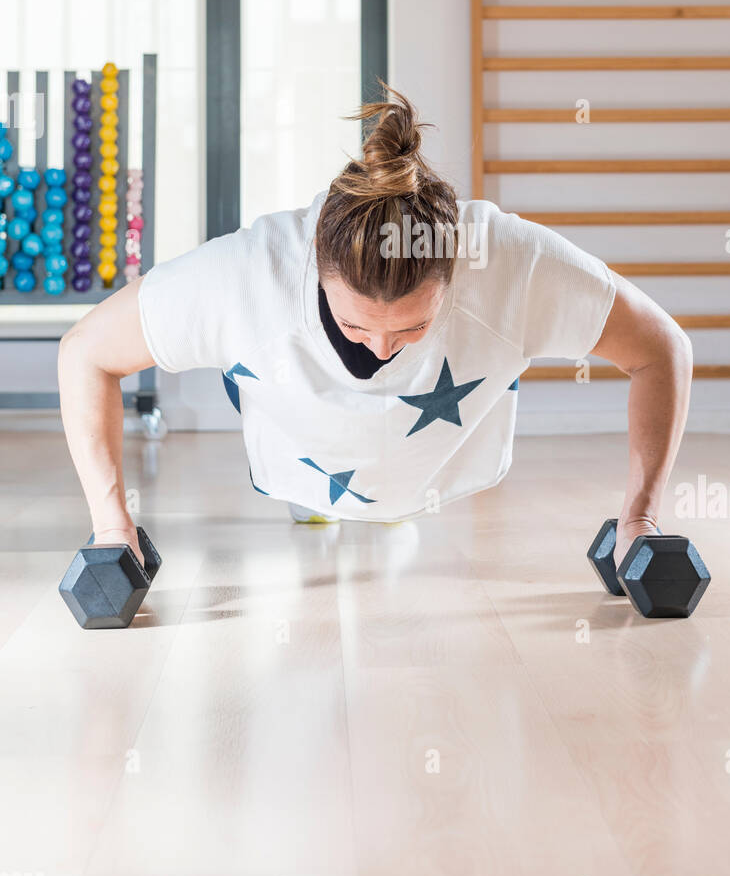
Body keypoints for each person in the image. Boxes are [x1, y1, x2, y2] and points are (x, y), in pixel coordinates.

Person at [58, 86, 692, 570]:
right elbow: (86, 352)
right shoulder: (246, 275)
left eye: (412, 328)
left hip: (436, 470)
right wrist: (113, 528)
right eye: (357, 327)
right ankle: (322, 497)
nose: (384, 348)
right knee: (322, 478)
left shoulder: (508, 262)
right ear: (317, 266)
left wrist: (642, 517)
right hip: (300, 449)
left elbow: (662, 348)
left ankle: (393, 493)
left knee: (399, 482)